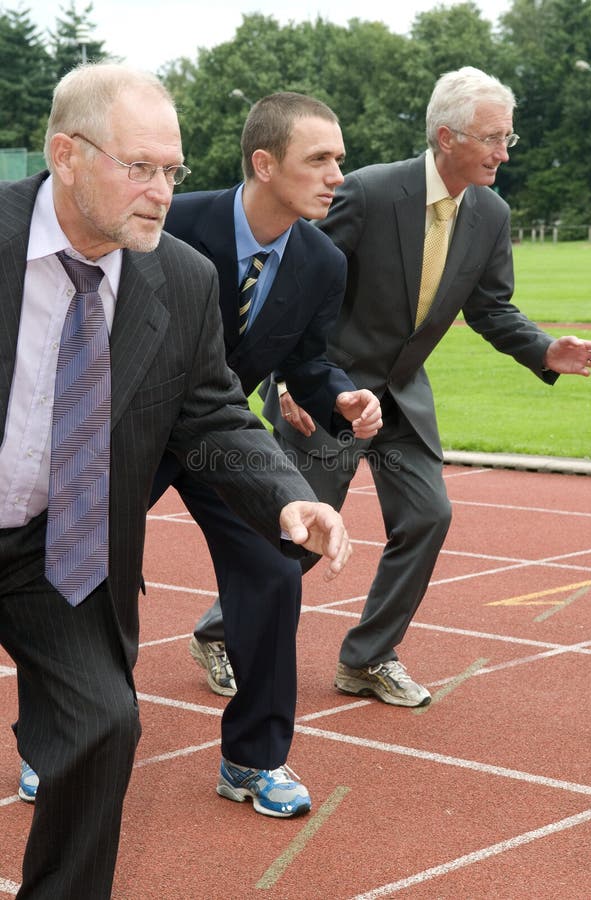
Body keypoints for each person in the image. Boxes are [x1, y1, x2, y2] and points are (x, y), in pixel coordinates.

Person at [0, 63, 353, 900]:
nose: (160, 191)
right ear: (66, 155)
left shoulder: (182, 279)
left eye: (173, 171)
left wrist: (285, 493)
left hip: (58, 546)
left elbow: (214, 416)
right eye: (140, 167)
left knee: (105, 725)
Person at [261, 65, 591, 708]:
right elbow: (295, 284)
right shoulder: (366, 192)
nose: (504, 151)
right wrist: (283, 383)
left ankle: (367, 657)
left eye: (509, 138)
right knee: (303, 534)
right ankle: (220, 633)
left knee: (428, 515)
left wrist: (545, 350)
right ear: (448, 138)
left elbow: (492, 309)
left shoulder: (491, 213)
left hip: (402, 397)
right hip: (327, 391)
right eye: (494, 138)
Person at [151, 92, 382, 818]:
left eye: (339, 159)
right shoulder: (169, 223)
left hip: (221, 440)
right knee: (76, 571)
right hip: (129, 432)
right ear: (263, 163)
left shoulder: (320, 259)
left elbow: (308, 362)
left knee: (274, 571)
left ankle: (253, 761)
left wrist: (342, 397)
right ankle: (52, 742)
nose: (336, 174)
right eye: (320, 159)